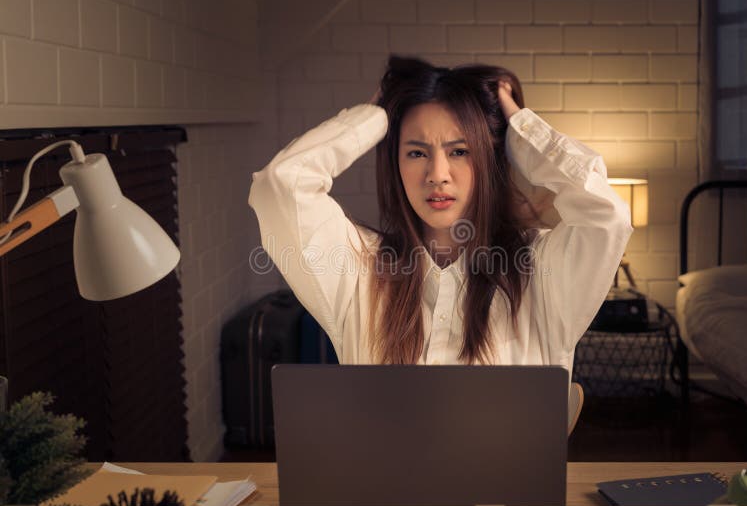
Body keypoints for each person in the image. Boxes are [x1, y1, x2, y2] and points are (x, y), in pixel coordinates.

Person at [249, 56, 632, 376]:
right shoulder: (357, 270)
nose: (437, 174)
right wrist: (374, 118)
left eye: (460, 151)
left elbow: (607, 216)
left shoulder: (543, 270)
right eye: (416, 153)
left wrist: (520, 128)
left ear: (489, 158)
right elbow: (280, 187)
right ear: (394, 162)